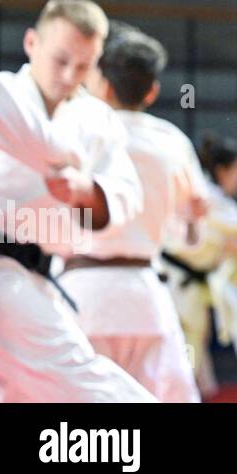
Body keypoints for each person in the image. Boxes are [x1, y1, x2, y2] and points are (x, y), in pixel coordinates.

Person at [0, 0, 154, 402]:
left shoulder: (97, 121)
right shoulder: (3, 97)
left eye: (82, 67)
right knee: (77, 379)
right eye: (60, 60)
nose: (68, 75)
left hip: (39, 272)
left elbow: (125, 196)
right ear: (31, 43)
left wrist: (86, 191)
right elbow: (39, 143)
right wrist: (60, 159)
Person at [67, 24, 202, 402]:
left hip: (81, 294)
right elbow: (189, 237)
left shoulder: (74, 130)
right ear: (153, 90)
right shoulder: (173, 141)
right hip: (146, 295)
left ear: (101, 84)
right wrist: (191, 221)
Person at [163, 132, 237, 396]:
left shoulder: (218, 200)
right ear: (223, 170)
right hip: (176, 284)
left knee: (191, 357)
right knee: (182, 359)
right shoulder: (207, 197)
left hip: (191, 285)